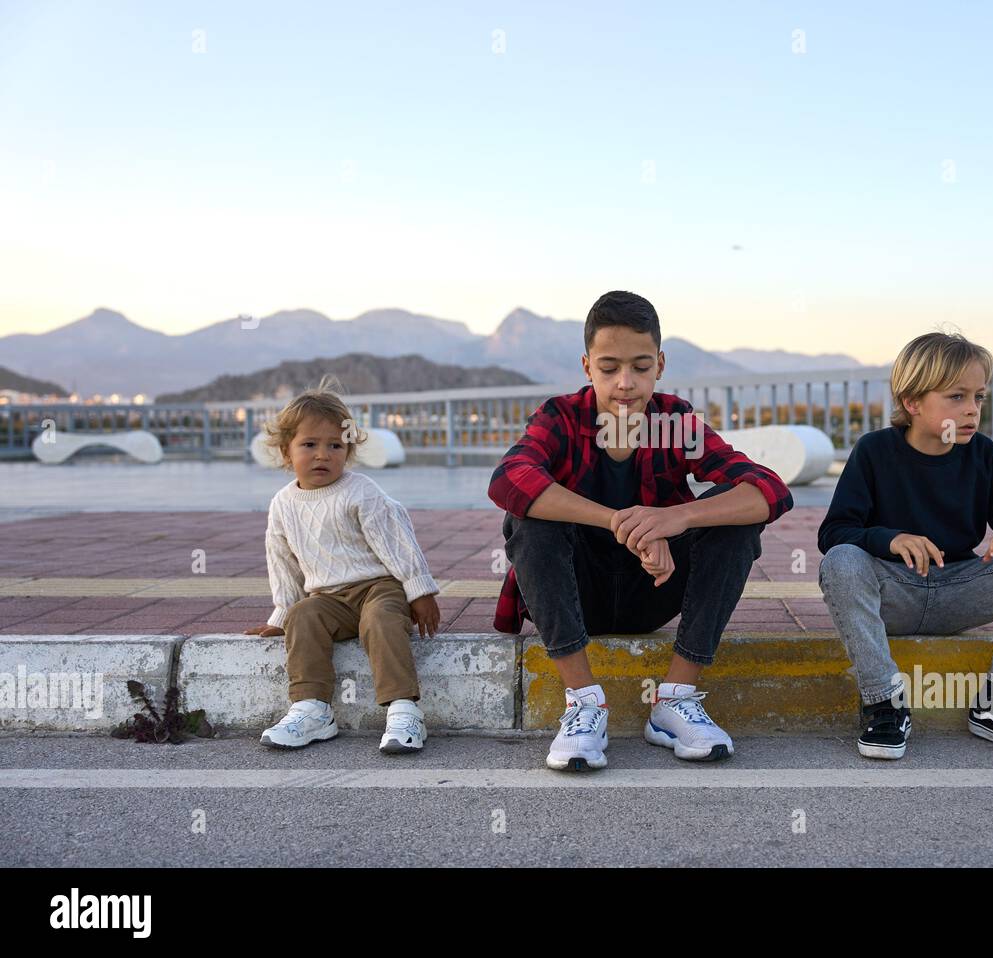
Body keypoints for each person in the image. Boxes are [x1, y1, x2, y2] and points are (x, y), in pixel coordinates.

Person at [488, 290, 793, 771]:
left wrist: (675, 519)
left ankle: (674, 700)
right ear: (587, 366)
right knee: (528, 517)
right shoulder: (561, 417)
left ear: (661, 364)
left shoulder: (675, 419)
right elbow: (509, 480)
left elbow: (769, 489)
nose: (625, 383)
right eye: (609, 368)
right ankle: (584, 703)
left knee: (736, 522)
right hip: (577, 592)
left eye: (641, 366)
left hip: (653, 588)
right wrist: (620, 522)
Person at [817, 332, 993, 759]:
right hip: (895, 595)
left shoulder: (982, 455)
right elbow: (834, 533)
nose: (971, 411)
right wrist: (890, 539)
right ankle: (884, 703)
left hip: (963, 591)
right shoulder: (874, 451)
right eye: (956, 397)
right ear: (912, 402)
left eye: (979, 397)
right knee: (842, 561)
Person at [245, 377, 441, 754]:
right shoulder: (283, 504)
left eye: (335, 445)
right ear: (286, 452)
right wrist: (281, 615)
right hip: (328, 597)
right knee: (305, 615)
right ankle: (312, 709)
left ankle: (404, 709)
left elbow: (398, 543)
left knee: (381, 619)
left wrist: (419, 591)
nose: (323, 455)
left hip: (378, 587)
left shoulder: (362, 491)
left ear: (348, 452)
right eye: (309, 445)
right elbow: (282, 561)